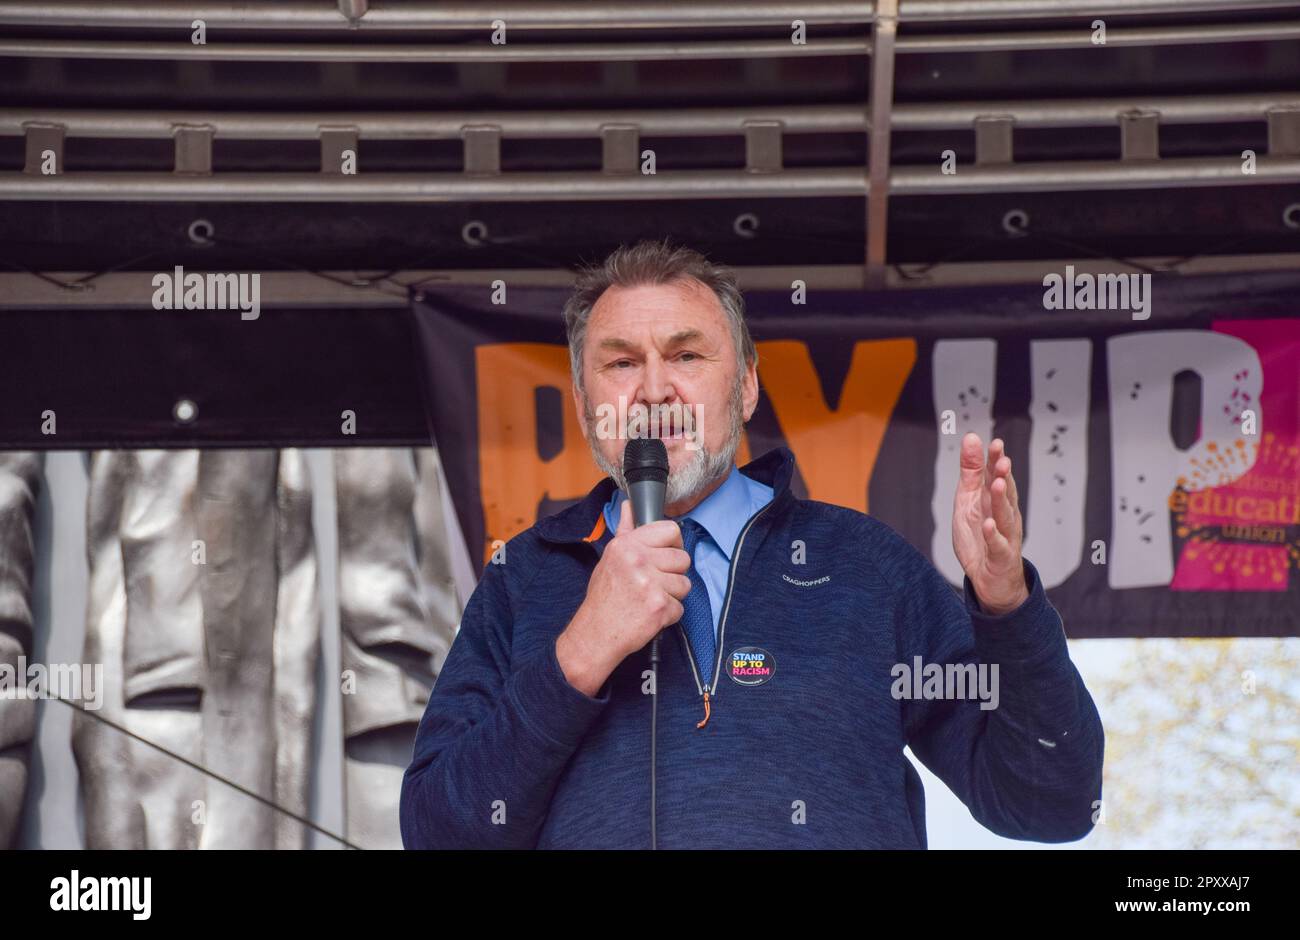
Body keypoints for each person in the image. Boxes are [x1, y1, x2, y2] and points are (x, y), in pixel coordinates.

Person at [400, 238, 1105, 849]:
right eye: (620, 364)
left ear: (744, 389)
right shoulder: (523, 579)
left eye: (686, 354)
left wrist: (1008, 606)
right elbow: (439, 831)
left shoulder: (863, 565)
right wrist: (580, 654)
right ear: (585, 405)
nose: (653, 390)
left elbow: (1050, 802)